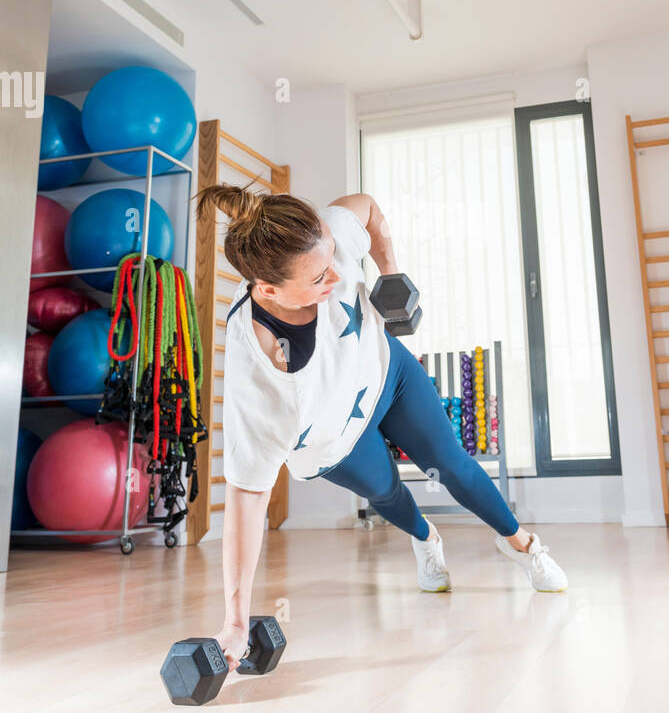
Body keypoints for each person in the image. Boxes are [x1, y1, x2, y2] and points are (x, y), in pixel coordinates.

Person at [195, 186, 568, 672]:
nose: (337, 273)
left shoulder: (321, 239)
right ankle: (426, 540)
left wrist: (392, 275)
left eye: (332, 259)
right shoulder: (259, 376)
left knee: (450, 464)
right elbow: (247, 497)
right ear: (268, 291)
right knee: (388, 492)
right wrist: (236, 621)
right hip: (333, 442)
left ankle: (522, 546)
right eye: (319, 277)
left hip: (386, 372)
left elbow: (367, 208)